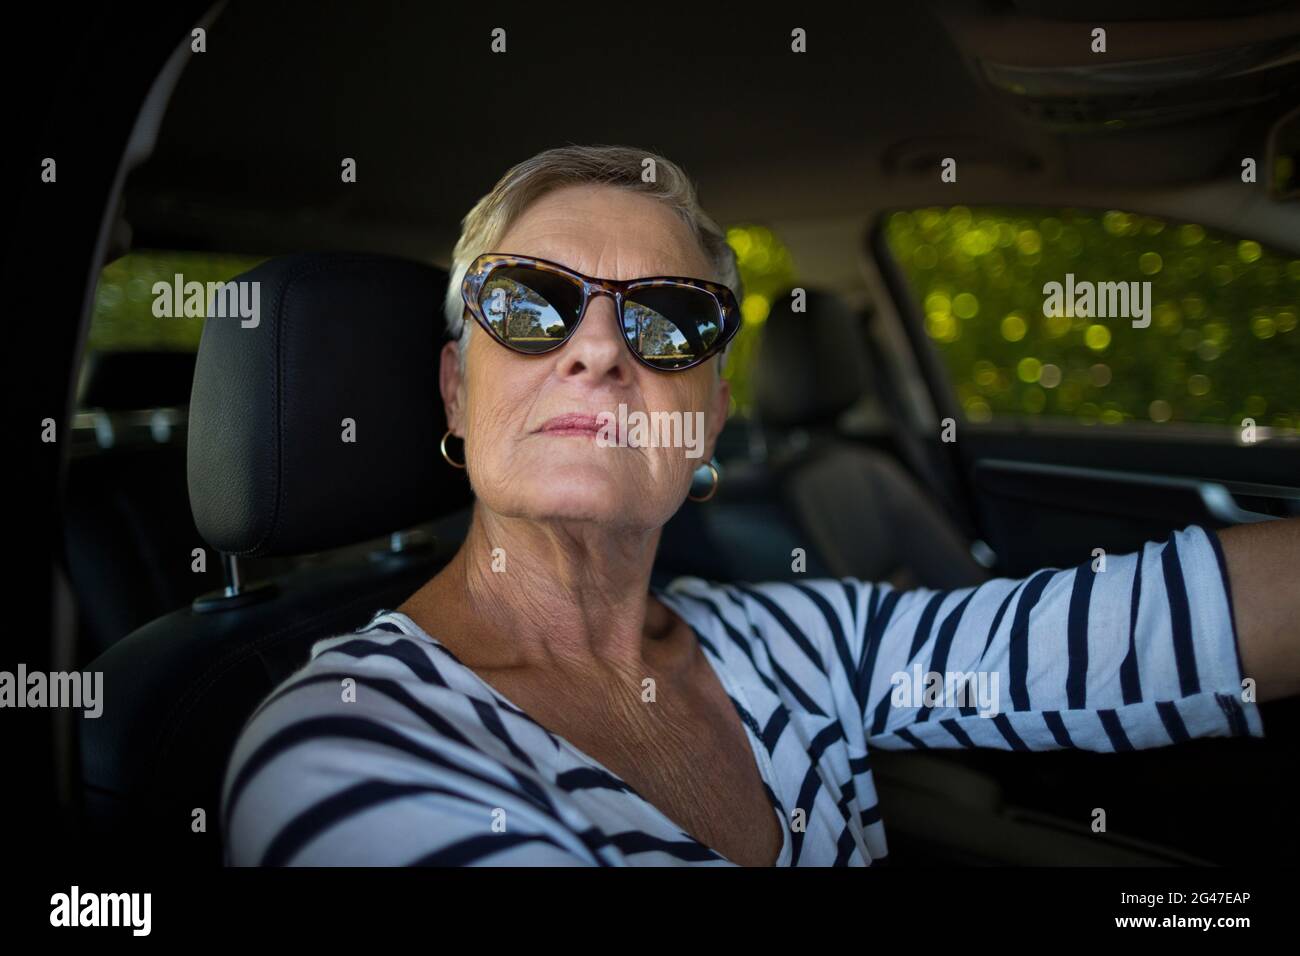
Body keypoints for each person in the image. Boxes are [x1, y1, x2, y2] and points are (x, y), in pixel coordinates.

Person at [222, 144, 1298, 866]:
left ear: (710, 416)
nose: (598, 348)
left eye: (672, 320)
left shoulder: (804, 633)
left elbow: (1154, 629)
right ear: (457, 388)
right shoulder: (345, 746)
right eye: (530, 301)